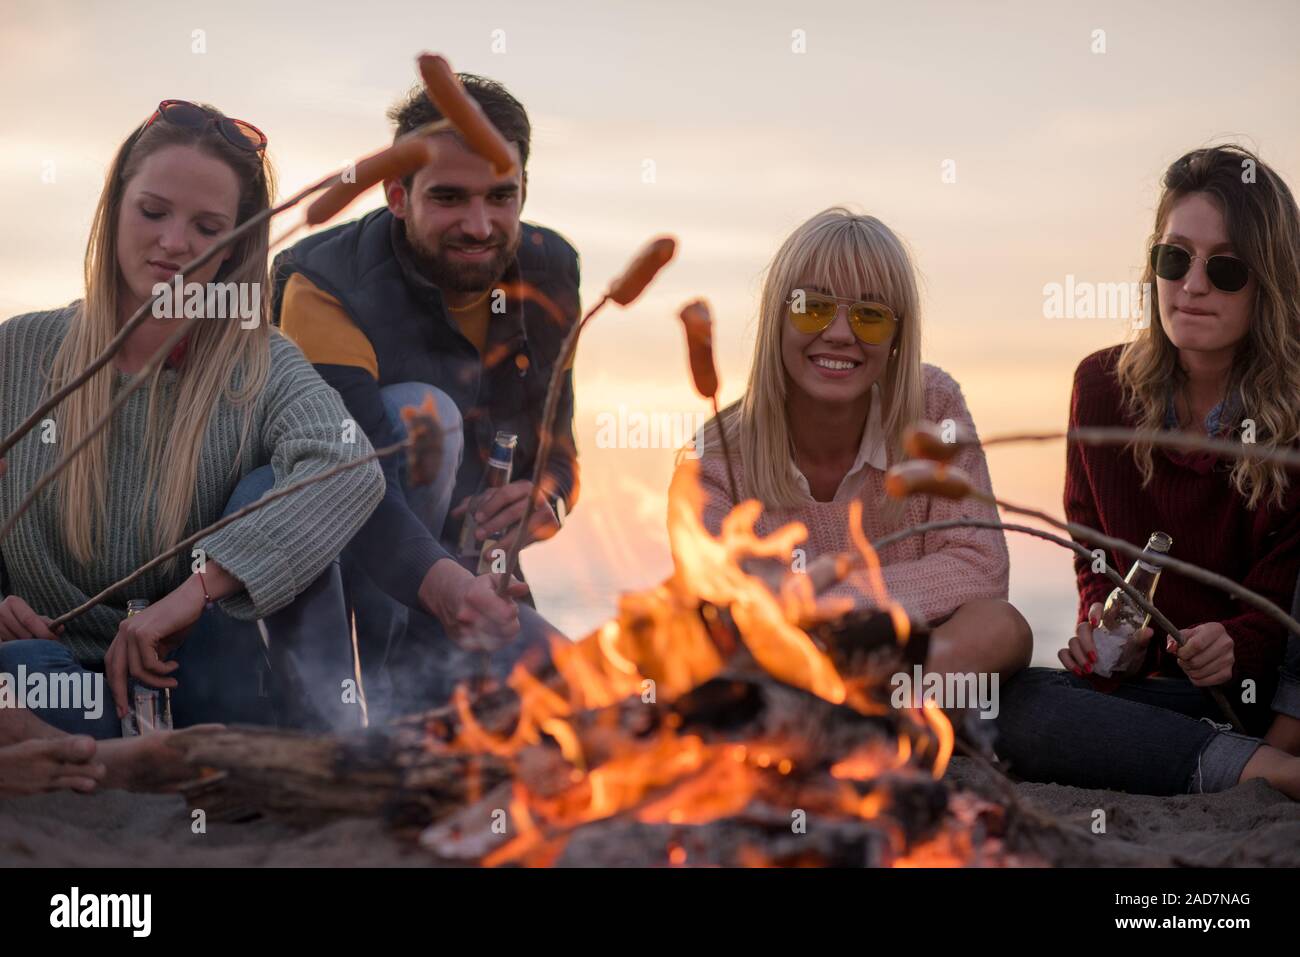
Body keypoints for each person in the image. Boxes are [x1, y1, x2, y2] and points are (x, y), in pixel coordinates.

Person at [0, 100, 385, 738]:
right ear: (115, 207)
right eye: (153, 212)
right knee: (16, 673)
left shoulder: (261, 363)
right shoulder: (18, 353)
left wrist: (198, 590)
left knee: (267, 487)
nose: (174, 243)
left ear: (238, 247)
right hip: (60, 685)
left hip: (208, 691)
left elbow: (349, 467)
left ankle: (323, 748)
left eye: (209, 229)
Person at [996, 146, 1300, 797]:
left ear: (1269, 283)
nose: (1191, 285)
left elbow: (1285, 607)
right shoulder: (1101, 388)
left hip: (1274, 707)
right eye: (1174, 258)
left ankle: (1258, 759)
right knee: (1011, 703)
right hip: (1160, 702)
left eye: (1225, 269)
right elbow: (1094, 563)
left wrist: (1238, 642)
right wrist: (1110, 637)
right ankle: (1253, 772)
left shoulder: (1292, 417)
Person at [273, 75, 577, 714]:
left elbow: (559, 451)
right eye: (448, 198)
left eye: (501, 196)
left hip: (479, 589)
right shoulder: (323, 285)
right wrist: (446, 592)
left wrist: (547, 498)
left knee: (594, 702)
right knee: (425, 412)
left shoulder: (552, 271)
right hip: (345, 580)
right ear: (396, 195)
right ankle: (362, 713)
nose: (479, 224)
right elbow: (346, 490)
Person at [687, 207, 1032, 687]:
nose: (841, 334)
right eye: (814, 307)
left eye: (870, 316)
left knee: (1004, 626)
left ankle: (875, 714)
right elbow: (729, 603)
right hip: (789, 668)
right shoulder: (717, 452)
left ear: (896, 336)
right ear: (777, 318)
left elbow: (980, 569)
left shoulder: (932, 404)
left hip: (913, 664)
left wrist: (832, 600)